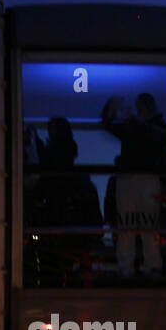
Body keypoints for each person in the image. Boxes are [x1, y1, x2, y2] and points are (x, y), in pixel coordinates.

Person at [26, 117, 102, 284]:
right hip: (63, 216)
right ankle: (60, 287)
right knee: (59, 255)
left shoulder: (56, 158)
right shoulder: (68, 160)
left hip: (58, 211)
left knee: (54, 254)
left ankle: (56, 289)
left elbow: (50, 162)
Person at [102, 93, 166, 278]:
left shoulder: (147, 126)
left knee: (129, 225)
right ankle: (150, 266)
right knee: (145, 224)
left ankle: (127, 267)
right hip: (145, 178)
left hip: (132, 178)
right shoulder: (156, 126)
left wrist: (113, 110)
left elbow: (109, 125)